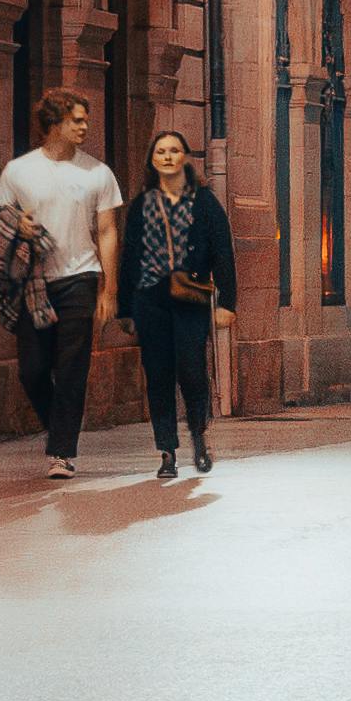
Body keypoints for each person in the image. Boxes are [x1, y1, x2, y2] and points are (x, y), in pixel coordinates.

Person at [0, 90, 121, 481]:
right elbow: (0, 219)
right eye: (76, 119)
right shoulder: (18, 171)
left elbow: (109, 231)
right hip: (36, 281)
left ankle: (61, 451)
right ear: (54, 123)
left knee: (72, 367)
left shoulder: (98, 172)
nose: (84, 126)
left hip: (81, 277)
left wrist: (108, 290)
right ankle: (57, 426)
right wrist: (18, 225)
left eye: (85, 119)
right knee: (32, 369)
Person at [119, 126, 237, 478]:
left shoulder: (205, 202)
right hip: (150, 299)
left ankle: (199, 433)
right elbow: (130, 259)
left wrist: (227, 302)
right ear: (152, 160)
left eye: (174, 150)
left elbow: (223, 254)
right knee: (158, 375)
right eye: (161, 152)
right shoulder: (141, 204)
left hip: (191, 297)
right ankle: (167, 450)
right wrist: (125, 307)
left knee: (191, 370)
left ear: (184, 157)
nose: (168, 156)